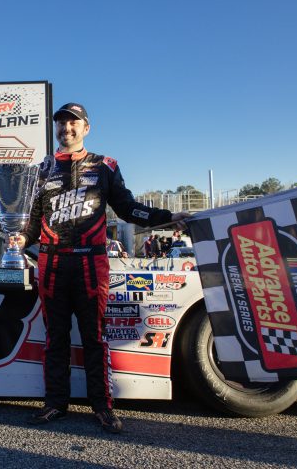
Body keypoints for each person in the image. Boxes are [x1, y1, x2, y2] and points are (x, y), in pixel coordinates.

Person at [16, 102, 188, 434]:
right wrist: (20, 240)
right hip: (51, 262)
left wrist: (167, 217)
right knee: (55, 338)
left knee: (95, 337)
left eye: (73, 123)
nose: (66, 128)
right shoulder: (43, 169)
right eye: (62, 123)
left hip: (91, 263)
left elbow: (126, 208)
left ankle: (102, 407)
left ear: (86, 128)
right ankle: (55, 404)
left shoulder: (105, 166)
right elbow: (33, 225)